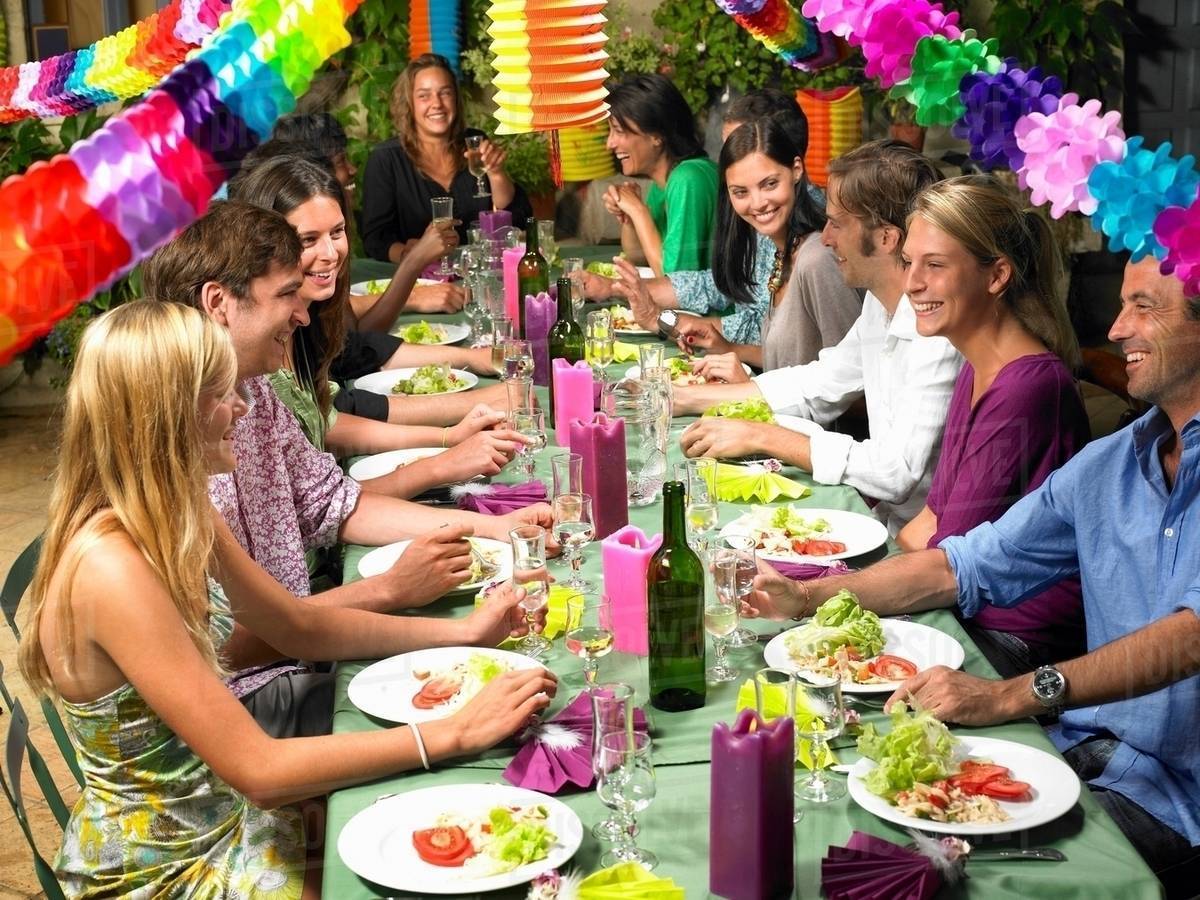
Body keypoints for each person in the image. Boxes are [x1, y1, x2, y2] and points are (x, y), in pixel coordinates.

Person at [17, 300, 556, 899]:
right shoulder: (111, 568)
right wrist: (451, 734)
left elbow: (299, 627)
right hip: (170, 866)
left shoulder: (179, 506)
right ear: (165, 414)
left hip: (225, 813)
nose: (243, 406)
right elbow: (259, 771)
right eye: (221, 392)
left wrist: (462, 634)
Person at [747, 258, 1200, 881]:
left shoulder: (1041, 395)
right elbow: (959, 566)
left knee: (967, 879)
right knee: (870, 824)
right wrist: (809, 597)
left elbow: (1191, 636)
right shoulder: (1115, 462)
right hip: (1082, 747)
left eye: (1144, 307)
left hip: (1178, 801)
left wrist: (1010, 693)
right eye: (1122, 305)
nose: (1117, 329)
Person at [141, 201, 556, 735]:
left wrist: (496, 529)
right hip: (243, 703)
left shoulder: (254, 392)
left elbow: (335, 504)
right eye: (287, 294)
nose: (303, 315)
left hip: (304, 658)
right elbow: (221, 650)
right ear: (219, 302)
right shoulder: (174, 439)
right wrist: (389, 591)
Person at [675, 140, 962, 534]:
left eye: (837, 223)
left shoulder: (937, 331)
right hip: (884, 519)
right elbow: (819, 382)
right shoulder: (880, 303)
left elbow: (895, 472)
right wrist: (684, 398)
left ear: (886, 238)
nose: (825, 238)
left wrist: (765, 435)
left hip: (919, 543)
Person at [894, 175, 1089, 675]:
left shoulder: (1027, 386)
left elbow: (946, 558)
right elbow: (931, 519)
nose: (912, 283)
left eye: (935, 265)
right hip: (968, 609)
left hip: (1016, 639)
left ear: (997, 275)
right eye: (908, 262)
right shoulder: (978, 365)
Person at [230, 158, 521, 493]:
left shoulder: (308, 320)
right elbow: (314, 507)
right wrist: (442, 460)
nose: (330, 253)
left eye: (336, 232)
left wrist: (449, 437)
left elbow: (327, 420)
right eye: (308, 239)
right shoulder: (252, 361)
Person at [614, 115, 859, 376]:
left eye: (770, 184)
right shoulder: (781, 249)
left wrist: (750, 386)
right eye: (741, 192)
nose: (758, 203)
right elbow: (789, 358)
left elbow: (849, 378)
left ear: (796, 170)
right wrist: (728, 349)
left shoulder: (817, 259)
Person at [359, 53, 531, 263]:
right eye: (424, 96)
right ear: (409, 104)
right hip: (419, 277)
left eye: (445, 93)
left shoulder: (474, 143)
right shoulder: (386, 158)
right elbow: (376, 239)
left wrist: (496, 174)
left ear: (456, 99)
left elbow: (516, 221)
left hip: (478, 273)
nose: (437, 104)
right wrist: (410, 255)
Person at [603, 74, 719, 276]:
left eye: (619, 131)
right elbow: (638, 256)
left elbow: (675, 281)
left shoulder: (688, 179)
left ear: (656, 136)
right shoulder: (663, 184)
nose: (609, 144)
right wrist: (629, 217)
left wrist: (639, 211)